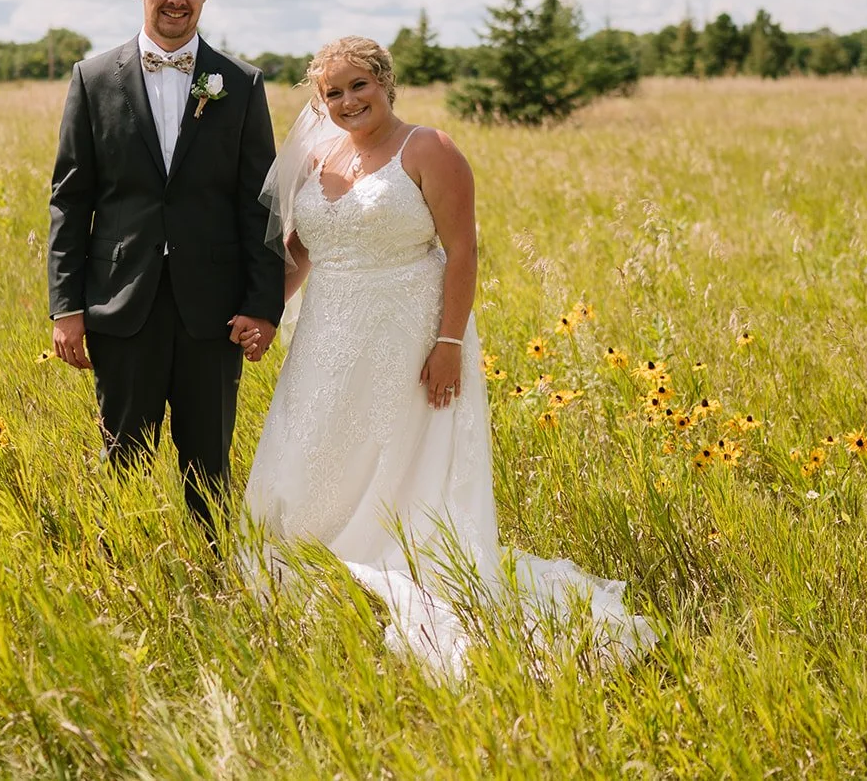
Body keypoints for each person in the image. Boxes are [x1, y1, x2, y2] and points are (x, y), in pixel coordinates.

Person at [244, 36, 656, 675]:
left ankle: (405, 559)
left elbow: (462, 252)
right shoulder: (315, 158)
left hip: (411, 336)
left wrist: (448, 343)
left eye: (360, 86)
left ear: (386, 84)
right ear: (319, 101)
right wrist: (268, 316)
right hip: (326, 338)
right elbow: (299, 253)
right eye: (333, 92)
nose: (349, 101)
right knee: (315, 446)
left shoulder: (429, 150)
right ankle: (307, 554)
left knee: (404, 462)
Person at [47, 0, 283, 531]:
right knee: (121, 459)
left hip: (215, 311)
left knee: (209, 466)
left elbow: (262, 206)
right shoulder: (93, 78)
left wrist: (263, 305)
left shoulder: (242, 84)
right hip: (122, 304)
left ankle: (215, 583)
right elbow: (70, 202)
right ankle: (117, 580)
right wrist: (65, 308)